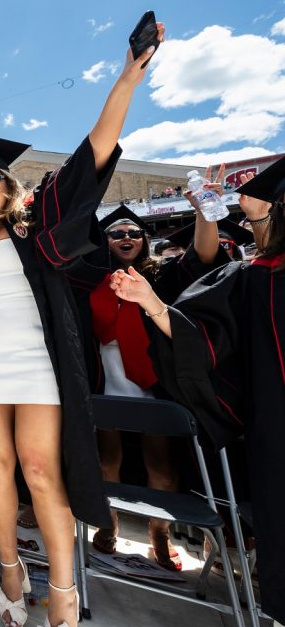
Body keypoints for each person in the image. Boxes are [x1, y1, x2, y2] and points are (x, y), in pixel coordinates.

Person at [0, 28, 161, 627]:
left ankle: (62, 589)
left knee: (39, 469)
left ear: (7, 187)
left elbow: (92, 156)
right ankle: (10, 570)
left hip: (39, 366)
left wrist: (127, 80)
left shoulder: (36, 228)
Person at [108, 158, 285, 626]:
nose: (125, 239)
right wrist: (149, 301)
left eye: (254, 214)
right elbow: (201, 336)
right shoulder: (254, 277)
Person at [66, 191, 226, 571]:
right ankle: (109, 524)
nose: (126, 238)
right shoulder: (92, 281)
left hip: (156, 385)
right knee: (108, 462)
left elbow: (203, 258)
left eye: (134, 232)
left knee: (162, 467)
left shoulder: (164, 275)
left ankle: (159, 533)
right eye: (116, 232)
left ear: (144, 240)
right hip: (107, 383)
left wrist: (205, 213)